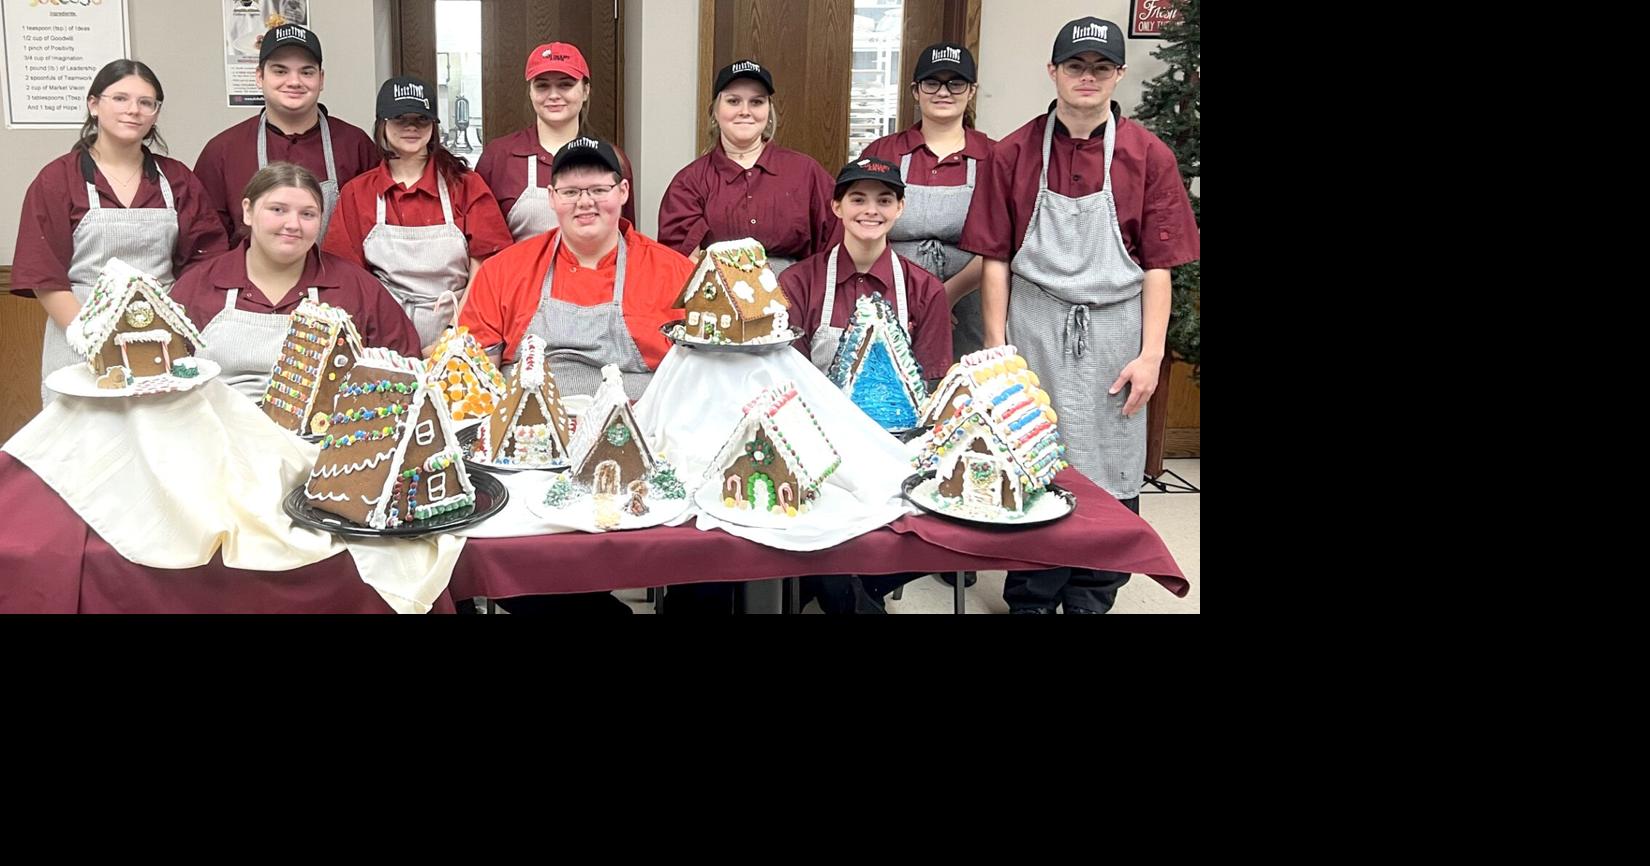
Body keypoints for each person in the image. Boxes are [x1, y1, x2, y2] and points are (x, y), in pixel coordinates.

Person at [958, 16, 1199, 614]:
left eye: (1099, 68)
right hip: (1033, 324)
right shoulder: (1013, 151)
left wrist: (1148, 356)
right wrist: (997, 350)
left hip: (1118, 330)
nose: (1086, 78)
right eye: (1074, 66)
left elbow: (1159, 266)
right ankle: (1032, 594)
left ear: (1117, 74)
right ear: (1054, 72)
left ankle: (1094, 593)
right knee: (1033, 454)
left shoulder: (1149, 155)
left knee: (1110, 462)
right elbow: (996, 257)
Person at [461, 137, 693, 615]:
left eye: (599, 188)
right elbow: (473, 374)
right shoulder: (505, 271)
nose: (585, 202)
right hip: (529, 455)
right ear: (551, 199)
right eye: (570, 191)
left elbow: (695, 377)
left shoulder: (673, 273)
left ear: (623, 192)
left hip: (639, 449)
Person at [12, 59, 228, 404]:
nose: (134, 110)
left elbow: (205, 263)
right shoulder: (57, 180)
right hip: (80, 334)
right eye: (121, 99)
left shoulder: (178, 180)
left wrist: (168, 325)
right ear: (94, 104)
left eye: (147, 103)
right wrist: (95, 337)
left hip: (160, 335)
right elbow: (45, 275)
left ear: (156, 114)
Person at [169, 163, 420, 399]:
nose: (293, 225)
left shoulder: (355, 288)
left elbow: (404, 370)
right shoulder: (199, 287)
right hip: (217, 437)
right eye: (277, 210)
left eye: (307, 214)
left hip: (320, 441)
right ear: (247, 210)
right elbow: (163, 376)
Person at [322, 76, 512, 351]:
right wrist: (387, 341)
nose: (411, 127)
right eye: (400, 118)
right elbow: (348, 278)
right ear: (382, 124)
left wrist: (453, 333)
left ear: (434, 127)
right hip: (381, 337)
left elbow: (487, 268)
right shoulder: (357, 193)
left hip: (461, 330)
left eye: (421, 119)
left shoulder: (465, 185)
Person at [861, 42, 994, 359]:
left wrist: (944, 296)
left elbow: (1002, 243)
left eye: (956, 83)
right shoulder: (883, 153)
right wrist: (910, 294)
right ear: (915, 91)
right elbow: (859, 229)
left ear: (972, 91)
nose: (943, 92)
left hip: (971, 304)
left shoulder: (995, 156)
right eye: (932, 82)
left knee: (964, 393)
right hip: (891, 296)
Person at [194, 23, 379, 245]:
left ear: (321, 79)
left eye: (306, 72)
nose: (294, 82)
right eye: (280, 71)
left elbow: (375, 233)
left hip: (337, 278)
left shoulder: (356, 145)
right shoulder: (223, 151)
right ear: (260, 77)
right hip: (247, 279)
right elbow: (207, 242)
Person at [658, 59, 838, 273]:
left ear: (769, 111)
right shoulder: (689, 183)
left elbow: (835, 250)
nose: (745, 111)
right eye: (733, 101)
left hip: (799, 299)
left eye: (756, 102)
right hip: (717, 300)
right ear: (715, 111)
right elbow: (681, 266)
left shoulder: (806, 173)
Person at [473, 42, 637, 240]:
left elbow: (625, 240)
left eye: (565, 84)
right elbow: (485, 244)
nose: (553, 95)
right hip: (518, 271)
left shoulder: (611, 158)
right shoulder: (499, 156)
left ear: (585, 91)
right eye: (542, 85)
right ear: (530, 92)